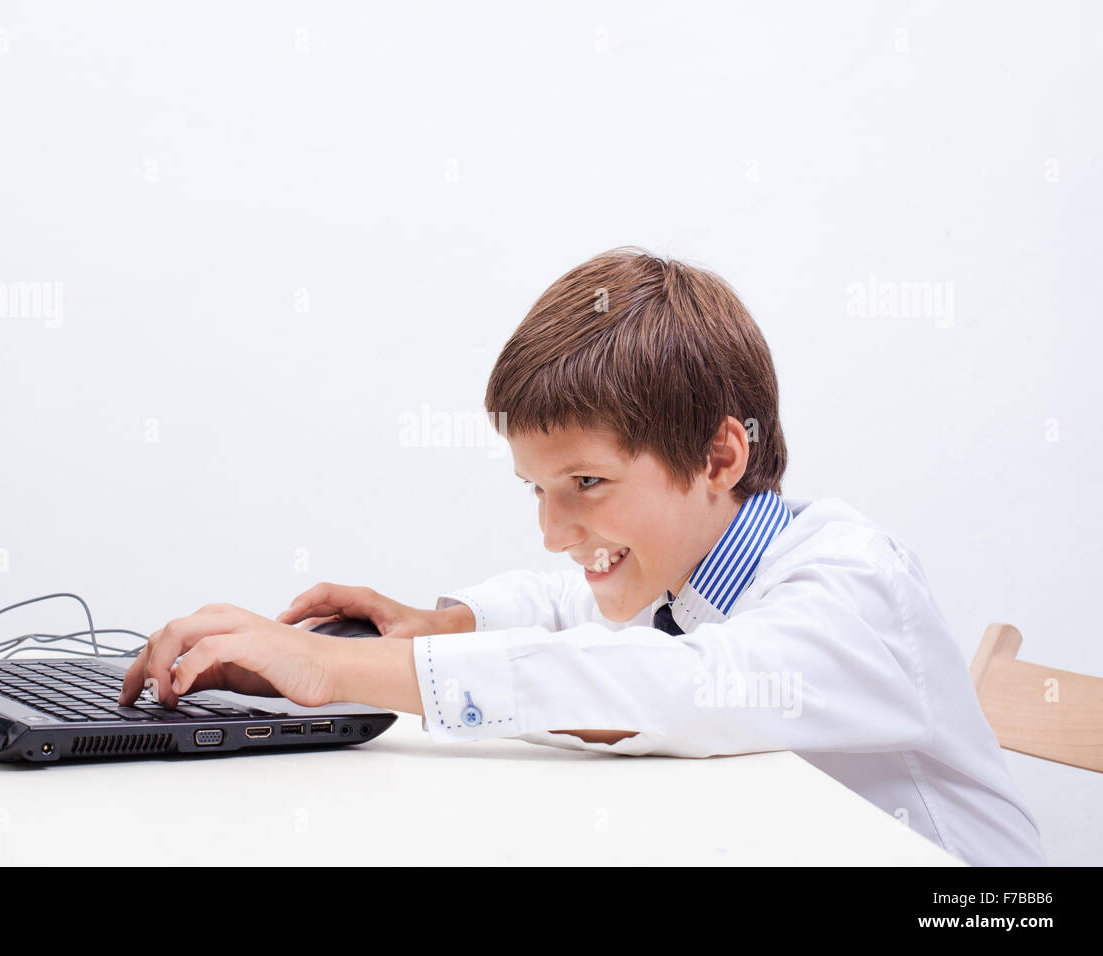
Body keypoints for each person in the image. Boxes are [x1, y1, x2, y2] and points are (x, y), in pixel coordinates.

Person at [118, 247, 1045, 867]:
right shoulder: (680, 568)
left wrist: (335, 667)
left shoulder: (852, 587)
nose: (556, 531)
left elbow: (666, 683)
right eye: (537, 490)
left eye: (586, 486)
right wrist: (443, 624)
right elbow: (565, 605)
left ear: (720, 455)